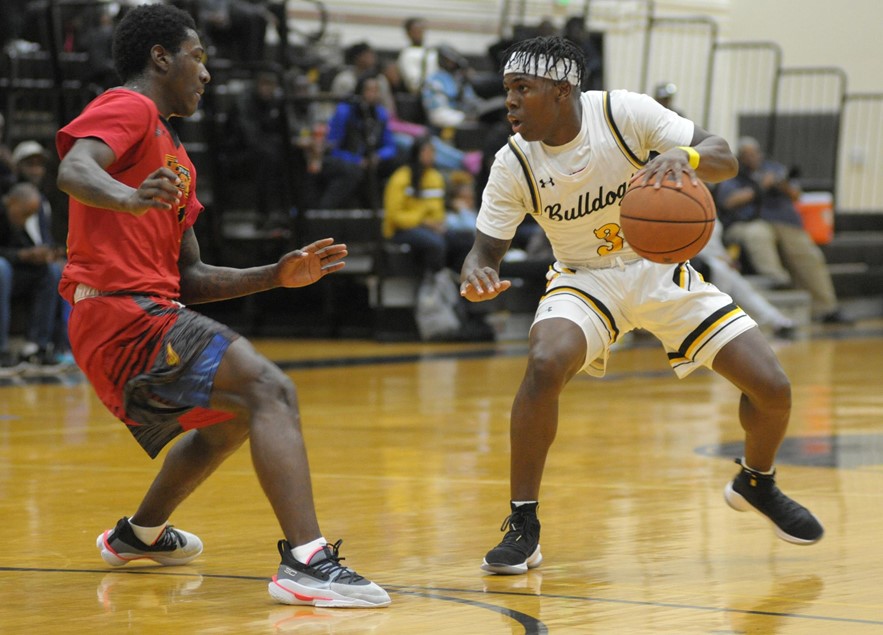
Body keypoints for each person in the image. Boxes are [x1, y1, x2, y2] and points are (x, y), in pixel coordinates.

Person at [54, 3, 389, 607]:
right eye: (197, 56)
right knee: (272, 388)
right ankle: (307, 562)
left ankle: (141, 535)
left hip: (128, 313)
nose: (206, 73)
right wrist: (129, 199)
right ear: (160, 57)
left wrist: (277, 276)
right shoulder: (129, 106)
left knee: (235, 414)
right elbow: (74, 168)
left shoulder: (175, 155)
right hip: (118, 312)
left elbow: (192, 277)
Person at [458, 36, 824, 575]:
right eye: (508, 89)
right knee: (543, 363)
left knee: (773, 388)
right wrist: (476, 276)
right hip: (585, 281)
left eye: (521, 89)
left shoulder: (623, 112)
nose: (509, 101)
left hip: (660, 271)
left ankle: (756, 481)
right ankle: (524, 520)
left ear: (562, 91)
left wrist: (686, 154)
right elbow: (482, 251)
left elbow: (720, 156)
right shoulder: (513, 161)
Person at [715, 137, 849, 324]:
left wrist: (782, 185)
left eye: (755, 153)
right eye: (746, 154)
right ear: (739, 157)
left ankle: (826, 308)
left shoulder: (775, 169)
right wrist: (761, 187)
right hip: (749, 221)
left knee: (808, 254)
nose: (752, 157)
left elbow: (796, 195)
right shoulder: (732, 173)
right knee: (759, 234)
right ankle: (778, 280)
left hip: (783, 220)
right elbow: (728, 201)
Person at [692, 220, 797, 339]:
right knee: (722, 274)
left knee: (737, 282)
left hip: (715, 262)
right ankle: (719, 324)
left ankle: (777, 321)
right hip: (690, 261)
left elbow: (714, 244)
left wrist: (726, 257)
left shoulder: (708, 208)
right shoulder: (681, 209)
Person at [0, 182, 63, 374]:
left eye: (30, 216)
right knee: (2, 269)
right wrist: (23, 255)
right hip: (4, 272)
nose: (26, 219)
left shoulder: (17, 222)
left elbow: (23, 249)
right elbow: (15, 254)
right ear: (11, 202)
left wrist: (41, 256)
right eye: (25, 213)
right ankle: (1, 351)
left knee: (51, 271)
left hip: (13, 274)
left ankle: (36, 348)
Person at [313, 73, 400, 210]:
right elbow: (331, 147)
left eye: (376, 90)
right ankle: (323, 212)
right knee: (353, 171)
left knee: (396, 165)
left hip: (369, 160)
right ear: (359, 92)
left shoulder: (380, 114)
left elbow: (390, 147)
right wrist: (356, 160)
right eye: (369, 90)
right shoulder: (344, 111)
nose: (373, 94)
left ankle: (383, 214)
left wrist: (377, 156)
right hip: (340, 159)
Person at [396, 17, 438, 95]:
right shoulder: (406, 54)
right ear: (408, 33)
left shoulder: (431, 52)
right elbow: (413, 84)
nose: (419, 34)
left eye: (421, 30)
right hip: (421, 97)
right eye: (416, 31)